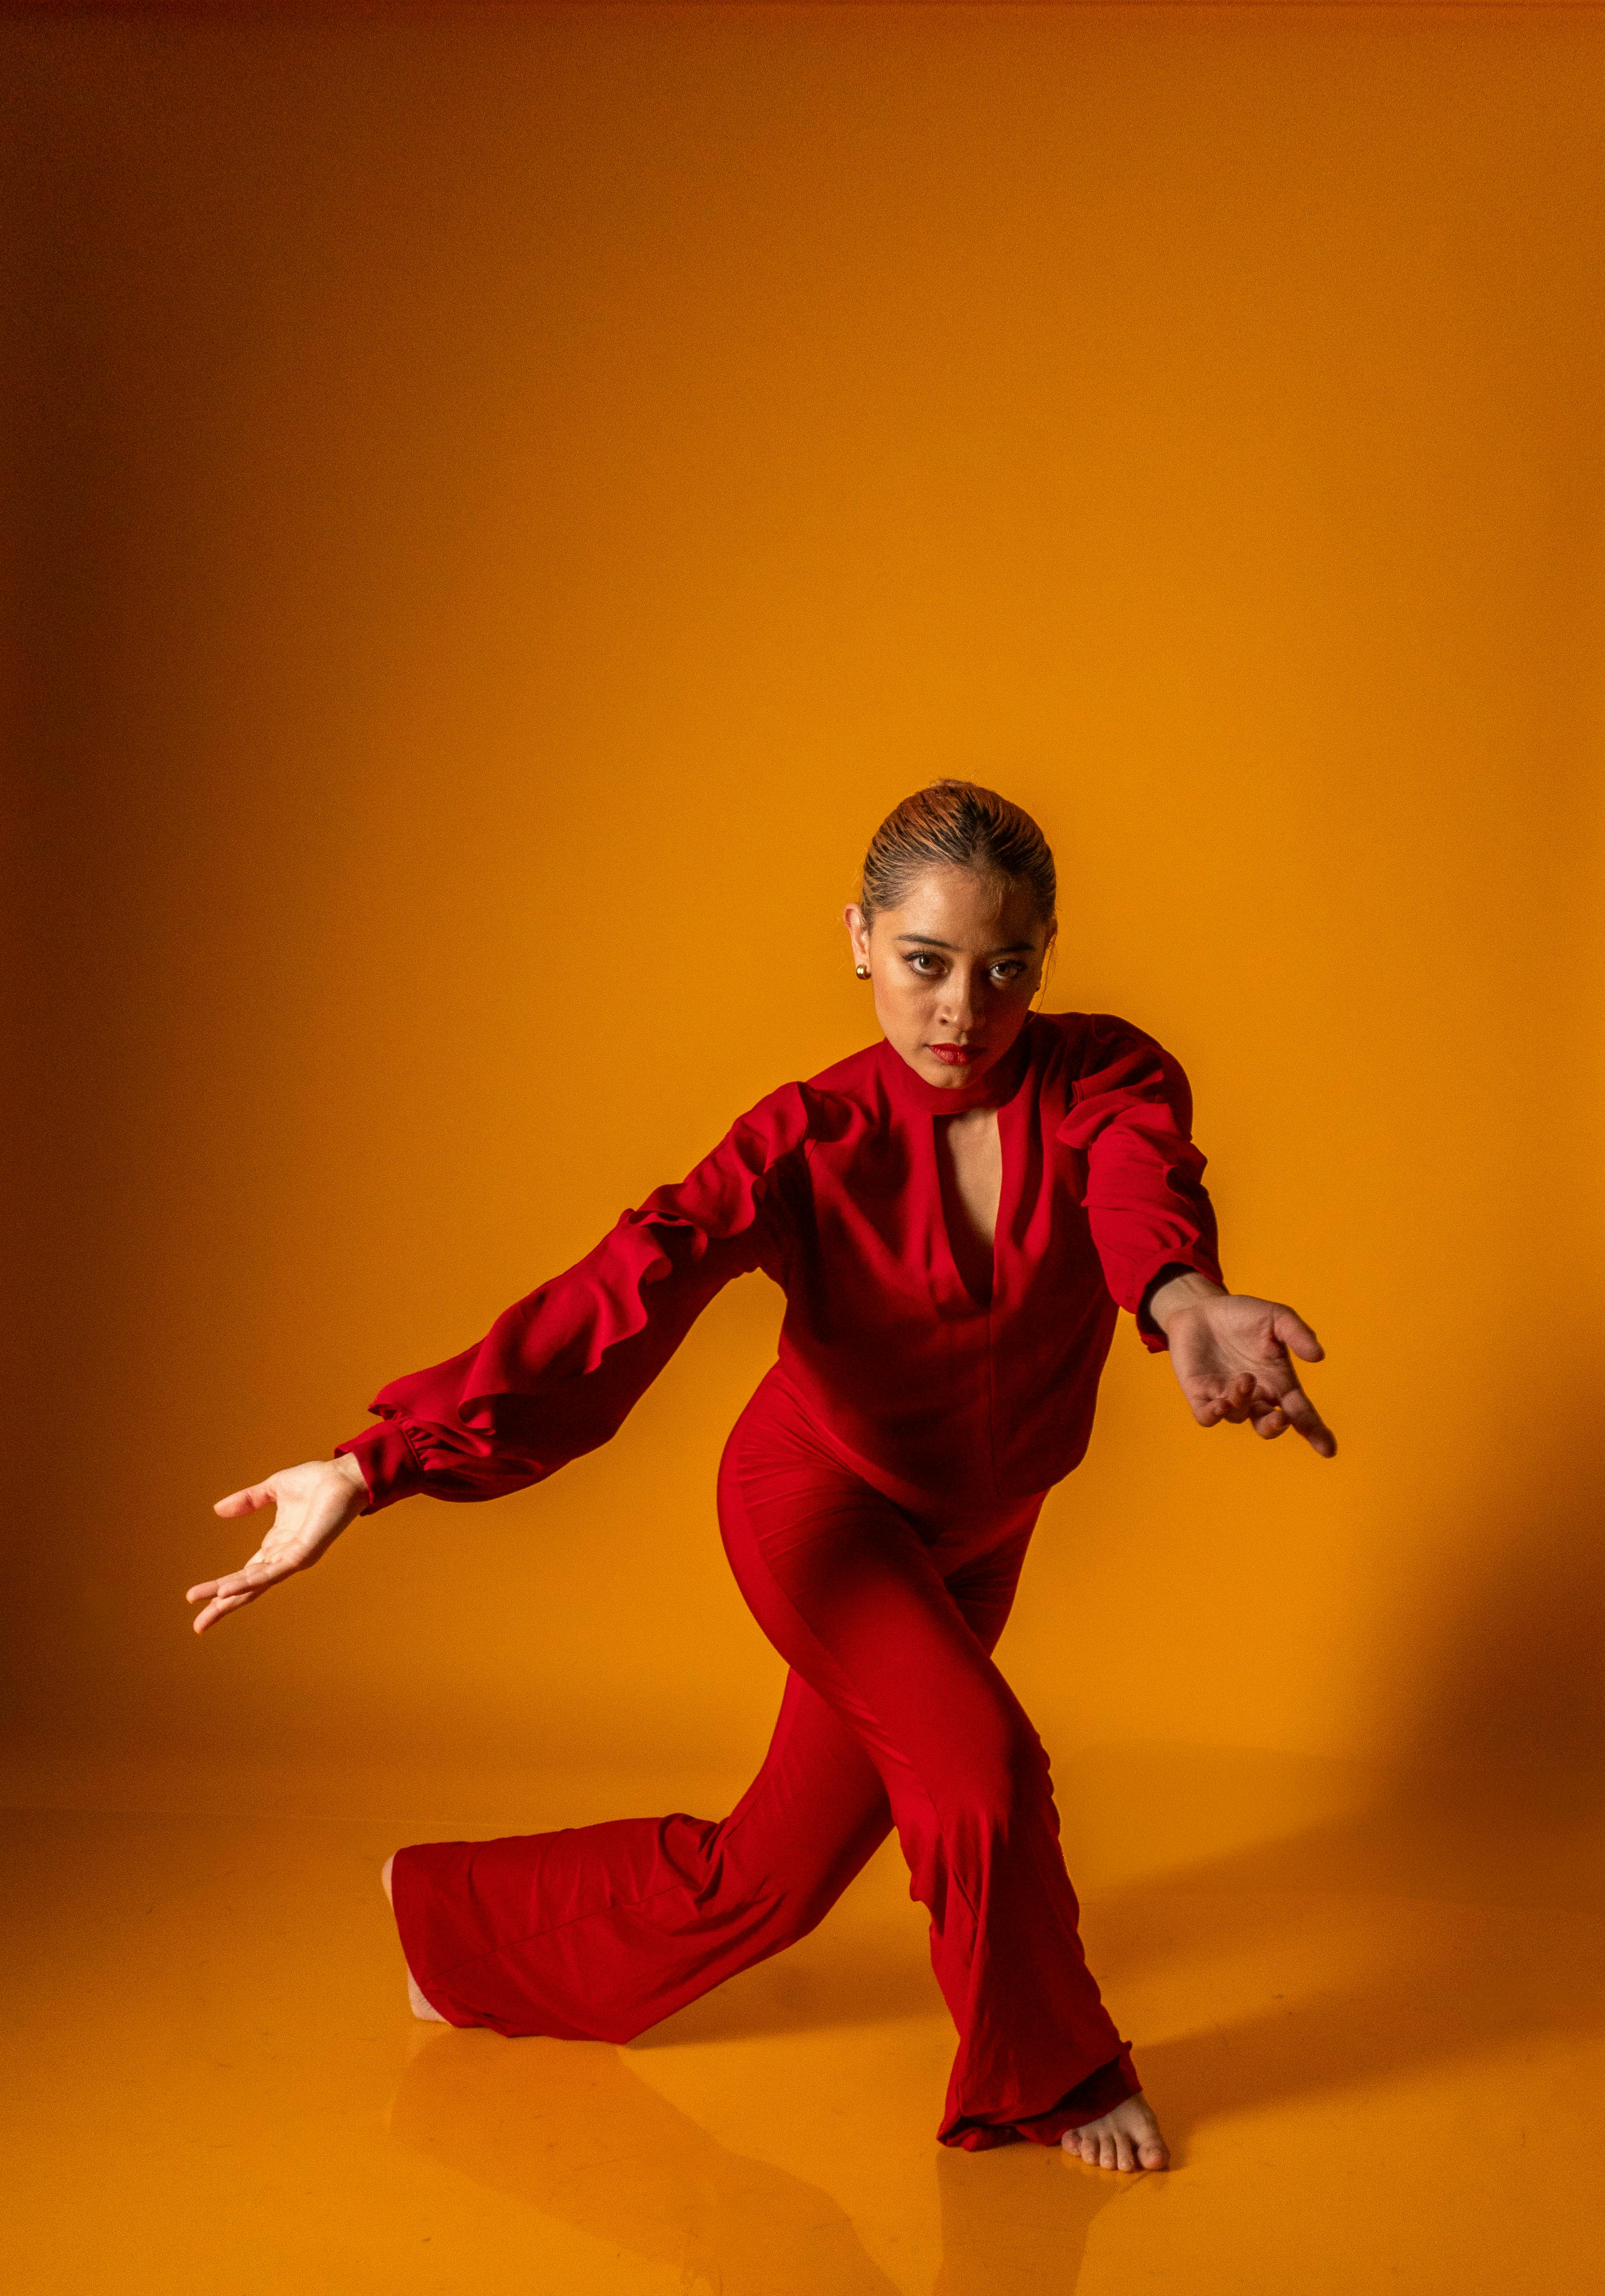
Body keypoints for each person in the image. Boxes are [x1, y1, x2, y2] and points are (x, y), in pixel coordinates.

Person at [188, 781, 1335, 2174]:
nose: (961, 1008)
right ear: (858, 938)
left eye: (1004, 967)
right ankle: (1055, 2071)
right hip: (820, 1507)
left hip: (979, 1535)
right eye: (923, 962)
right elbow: (625, 1291)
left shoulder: (1107, 1077)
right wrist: (372, 1465)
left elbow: (1140, 1193)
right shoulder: (802, 1140)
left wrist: (1186, 1294)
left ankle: (454, 1925)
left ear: (1044, 955)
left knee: (773, 1879)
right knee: (981, 1771)